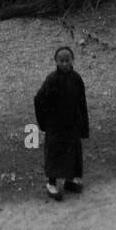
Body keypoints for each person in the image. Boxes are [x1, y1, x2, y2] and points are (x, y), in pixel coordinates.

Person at [34, 46, 90, 201]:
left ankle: (69, 180)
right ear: (56, 62)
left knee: (72, 152)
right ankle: (51, 183)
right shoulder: (52, 79)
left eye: (67, 60)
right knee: (54, 153)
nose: (65, 63)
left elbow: (81, 103)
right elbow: (38, 99)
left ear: (72, 60)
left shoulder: (77, 79)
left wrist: (83, 126)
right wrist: (44, 123)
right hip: (55, 125)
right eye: (61, 61)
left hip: (72, 124)